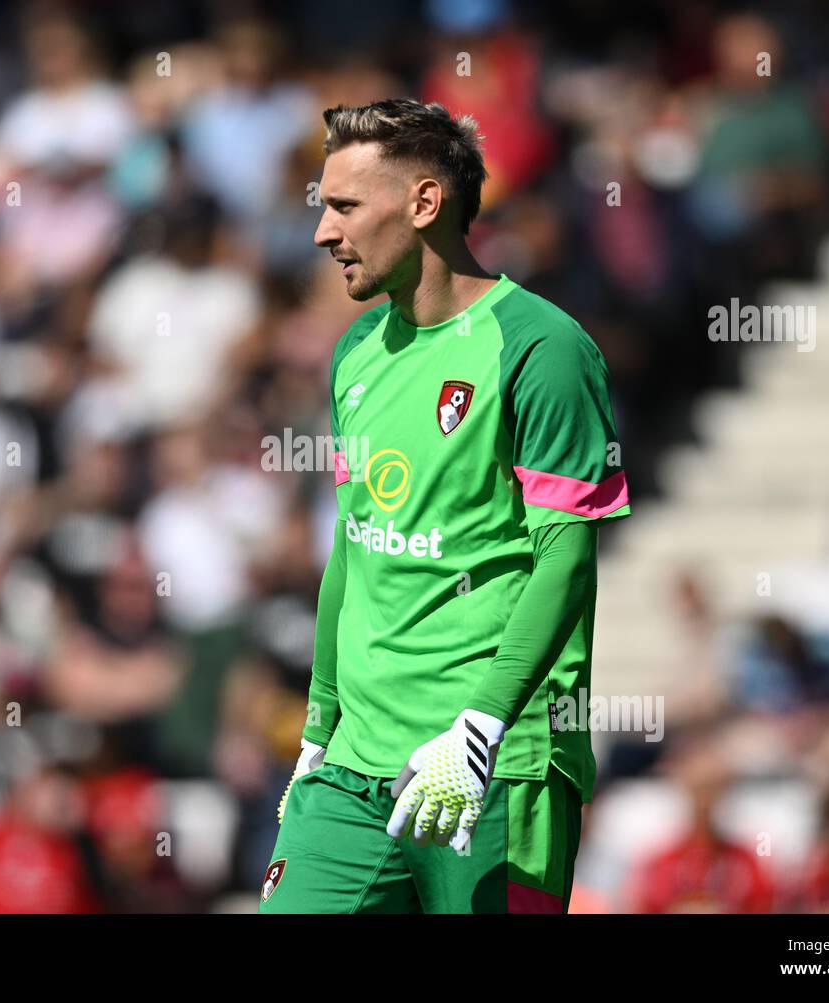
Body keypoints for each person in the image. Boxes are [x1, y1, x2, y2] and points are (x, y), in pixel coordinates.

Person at [259, 99, 630, 914]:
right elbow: (355, 550)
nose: (324, 232)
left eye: (345, 206)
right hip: (352, 770)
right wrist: (318, 728)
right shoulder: (357, 350)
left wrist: (480, 728)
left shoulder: (543, 348)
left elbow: (564, 559)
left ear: (425, 204)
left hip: (498, 763)